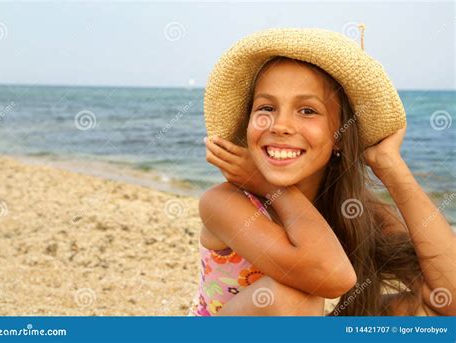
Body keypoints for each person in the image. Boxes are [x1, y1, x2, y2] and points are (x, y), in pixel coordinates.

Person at [188, 28, 455, 316]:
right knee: (292, 297)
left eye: (307, 111)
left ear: (339, 135)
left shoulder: (356, 211)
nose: (280, 125)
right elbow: (332, 275)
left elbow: (449, 299)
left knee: (420, 305)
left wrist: (390, 166)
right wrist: (267, 186)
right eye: (266, 107)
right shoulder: (224, 203)